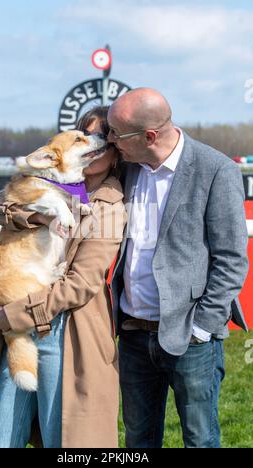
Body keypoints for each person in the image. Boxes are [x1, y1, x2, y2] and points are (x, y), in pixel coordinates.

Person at [0, 106, 127, 448]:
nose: (94, 144)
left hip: (64, 328)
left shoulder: (110, 203)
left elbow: (82, 282)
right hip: (20, 316)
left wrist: (16, 315)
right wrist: (40, 216)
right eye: (84, 136)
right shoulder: (43, 184)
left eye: (102, 139)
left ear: (115, 149)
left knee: (62, 437)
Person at [108, 88, 249, 448]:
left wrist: (201, 328)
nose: (109, 141)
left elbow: (231, 259)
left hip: (191, 338)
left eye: (115, 134)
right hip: (133, 335)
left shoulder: (215, 169)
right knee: (138, 440)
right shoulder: (125, 166)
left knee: (200, 439)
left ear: (148, 137)